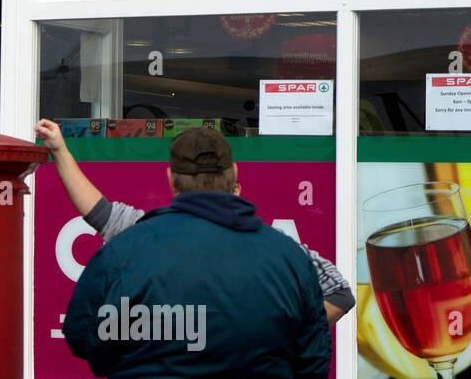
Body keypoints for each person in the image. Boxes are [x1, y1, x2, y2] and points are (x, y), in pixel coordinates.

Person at [56, 126, 332, 379]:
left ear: (172, 179)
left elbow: (84, 334)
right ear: (234, 179)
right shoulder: (287, 256)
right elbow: (312, 356)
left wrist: (130, 350)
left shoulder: (128, 250)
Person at [34, 119, 355, 323]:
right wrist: (284, 336)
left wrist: (60, 151)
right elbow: (340, 293)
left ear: (172, 182)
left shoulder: (148, 235)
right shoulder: (278, 247)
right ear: (236, 188)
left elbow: (99, 213)